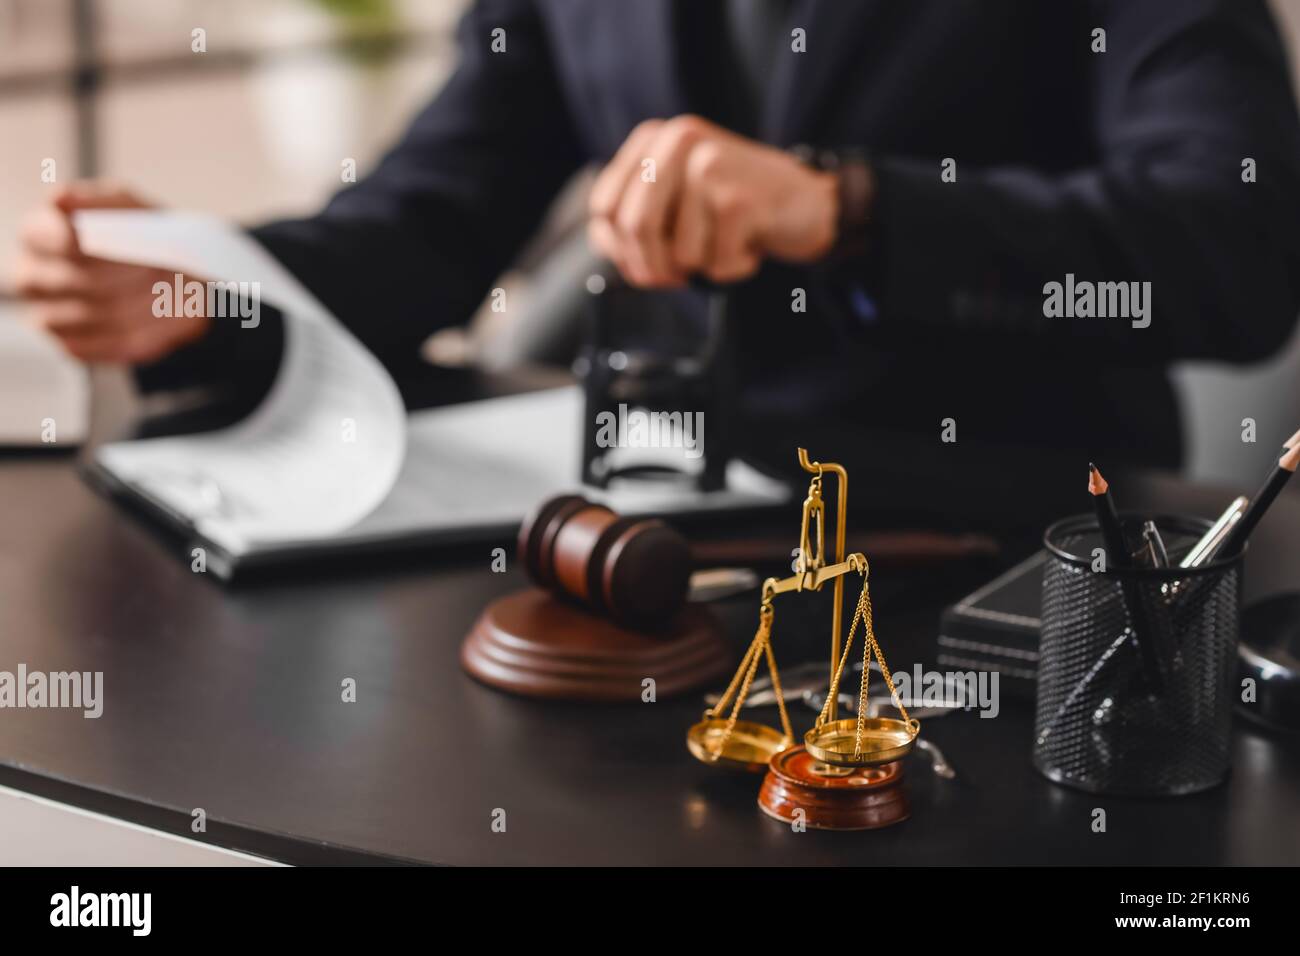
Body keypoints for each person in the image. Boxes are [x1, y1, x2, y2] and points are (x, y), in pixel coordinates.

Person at [12, 0, 1300, 469]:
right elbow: (430, 222)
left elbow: (1237, 242)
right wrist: (211, 290)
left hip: (1011, 548)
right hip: (670, 541)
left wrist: (847, 207)